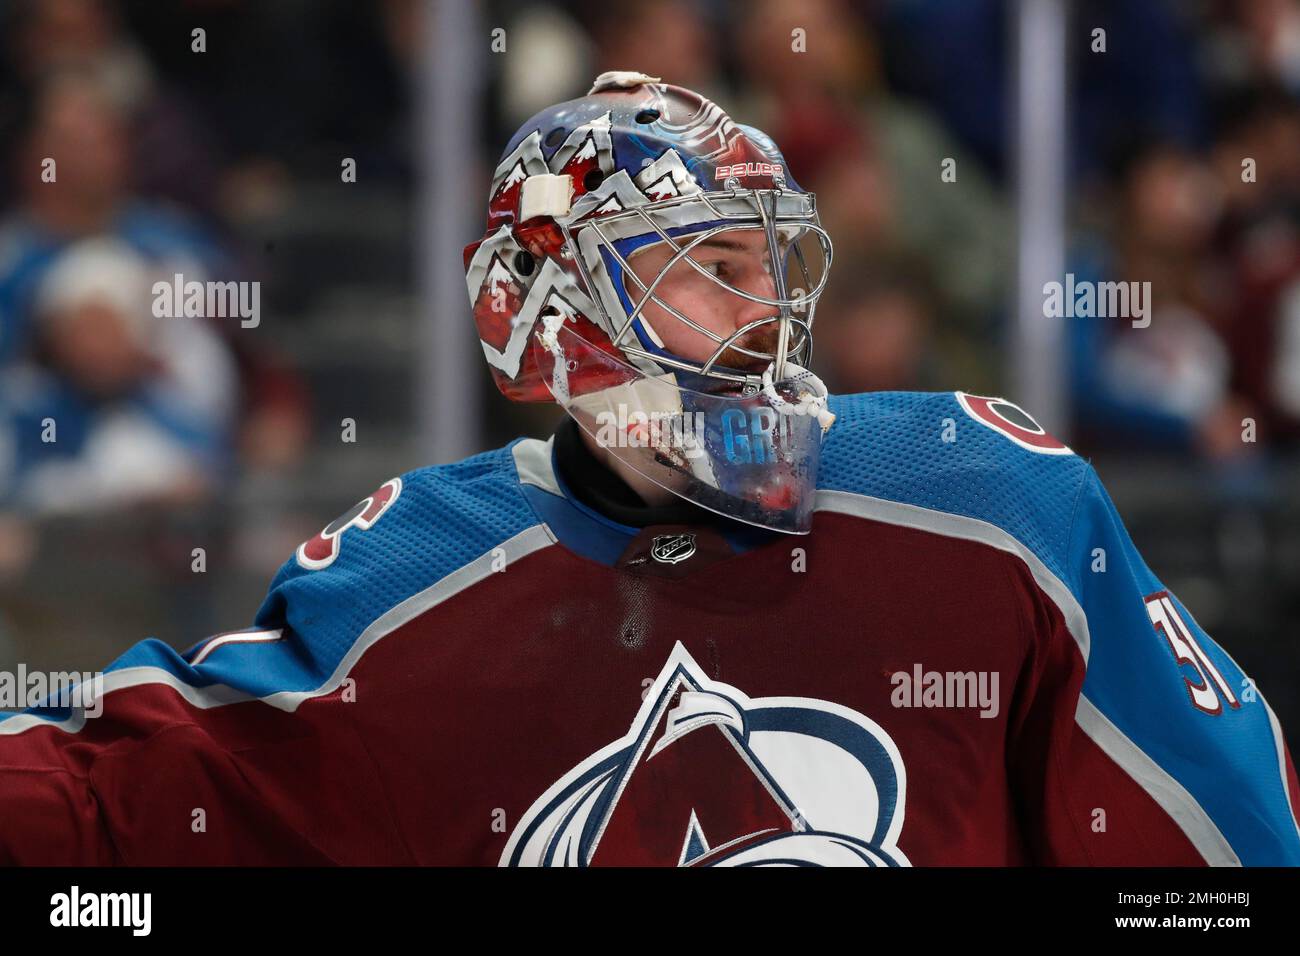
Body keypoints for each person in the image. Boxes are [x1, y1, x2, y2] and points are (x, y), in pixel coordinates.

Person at [0, 73, 1296, 866]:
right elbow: (135, 790)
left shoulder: (988, 499)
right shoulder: (420, 588)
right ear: (540, 323)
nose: (762, 329)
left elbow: (1219, 845)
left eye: (769, 271)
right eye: (704, 276)